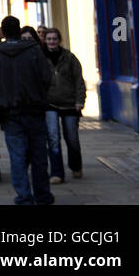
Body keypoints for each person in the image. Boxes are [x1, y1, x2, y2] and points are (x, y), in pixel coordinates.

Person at [0, 15, 55, 205]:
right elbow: (47, 78)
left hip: (9, 113)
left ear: (3, 33)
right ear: (19, 29)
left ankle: (24, 197)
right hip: (34, 110)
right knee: (39, 156)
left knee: (17, 157)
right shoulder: (34, 51)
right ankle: (42, 195)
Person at [43, 27, 86, 183]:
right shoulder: (41, 58)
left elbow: (79, 80)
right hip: (49, 104)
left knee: (72, 138)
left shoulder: (69, 57)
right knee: (53, 137)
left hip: (69, 103)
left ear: (59, 40)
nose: (52, 42)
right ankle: (56, 172)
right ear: (45, 40)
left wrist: (80, 101)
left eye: (54, 39)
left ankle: (76, 166)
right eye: (49, 39)